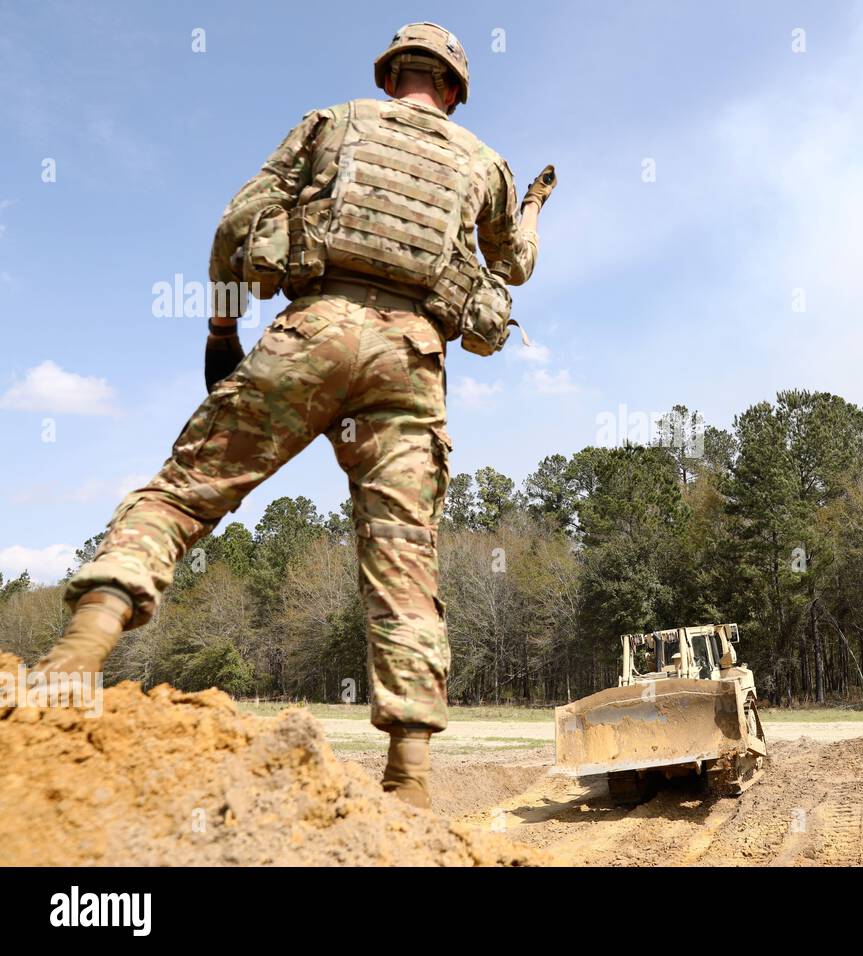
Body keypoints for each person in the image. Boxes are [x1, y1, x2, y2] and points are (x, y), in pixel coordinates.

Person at [33, 22, 556, 809]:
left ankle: (79, 653)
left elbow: (235, 224)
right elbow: (513, 263)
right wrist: (536, 207)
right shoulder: (484, 163)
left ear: (391, 78)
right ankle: (408, 786)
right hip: (411, 364)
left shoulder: (333, 121)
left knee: (187, 492)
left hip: (313, 331)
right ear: (452, 90)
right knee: (405, 560)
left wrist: (221, 326)